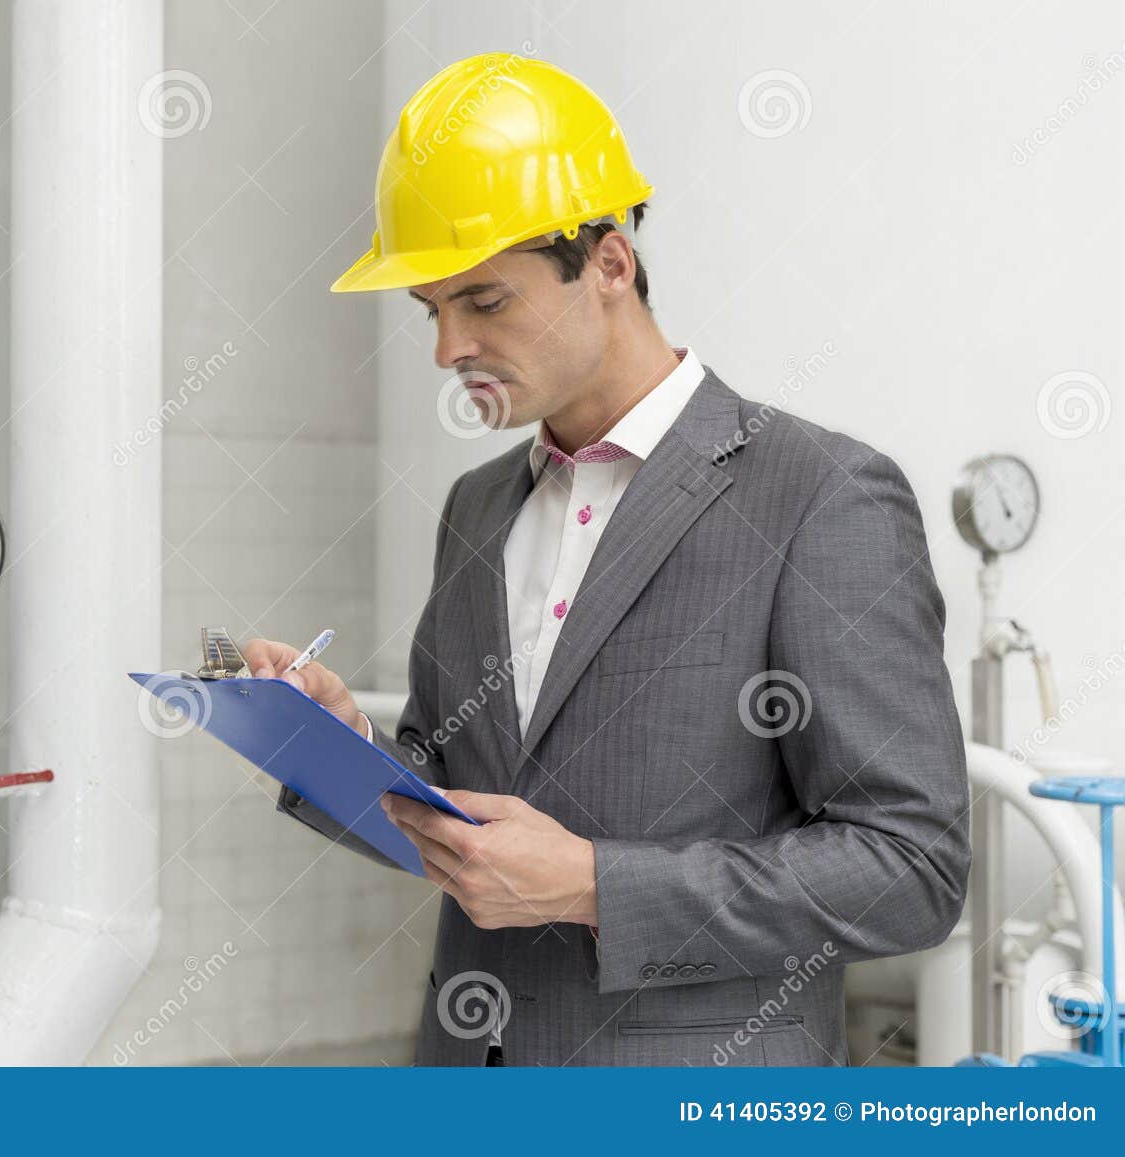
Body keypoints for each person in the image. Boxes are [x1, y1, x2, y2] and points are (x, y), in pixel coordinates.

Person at [242, 53, 969, 1067]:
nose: (447, 347)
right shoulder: (475, 506)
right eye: (430, 309)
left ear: (610, 265)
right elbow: (454, 805)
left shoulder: (816, 495)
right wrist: (327, 747)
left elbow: (909, 869)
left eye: (483, 302)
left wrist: (593, 883)